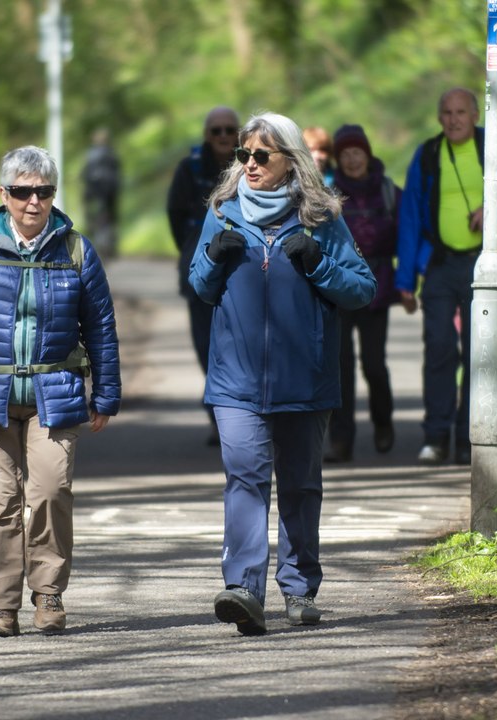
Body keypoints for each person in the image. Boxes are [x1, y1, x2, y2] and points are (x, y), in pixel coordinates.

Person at [0, 145, 121, 638]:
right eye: (23, 191)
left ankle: (48, 592)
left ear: (54, 195)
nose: (34, 202)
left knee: (51, 490)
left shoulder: (75, 251)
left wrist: (107, 391)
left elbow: (100, 325)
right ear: (3, 194)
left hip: (55, 391)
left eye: (44, 191)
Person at [188, 112, 376, 635]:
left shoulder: (321, 216)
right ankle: (244, 589)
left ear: (289, 161)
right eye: (244, 155)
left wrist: (318, 262)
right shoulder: (224, 214)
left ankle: (298, 590)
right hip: (236, 381)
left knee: (299, 485)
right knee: (245, 477)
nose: (249, 164)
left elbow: (362, 289)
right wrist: (212, 256)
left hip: (306, 378)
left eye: (260, 156)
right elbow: (200, 286)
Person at [396, 87, 497, 465]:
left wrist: (494, 207)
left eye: (461, 112)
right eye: (447, 112)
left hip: (482, 263)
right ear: (439, 118)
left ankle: (471, 437)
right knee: (438, 348)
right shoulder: (428, 155)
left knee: (480, 353)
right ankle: (435, 437)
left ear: (475, 115)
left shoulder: (496, 145)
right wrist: (405, 280)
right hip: (438, 266)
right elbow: (409, 217)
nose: (454, 119)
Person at [323, 124, 401, 463]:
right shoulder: (326, 193)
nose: (353, 160)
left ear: (368, 155)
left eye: (358, 152)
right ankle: (342, 440)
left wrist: (408, 282)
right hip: (338, 288)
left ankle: (383, 423)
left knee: (373, 364)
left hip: (377, 287)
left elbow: (408, 235)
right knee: (340, 367)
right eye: (346, 154)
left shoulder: (387, 191)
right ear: (338, 159)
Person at [167, 105, 240, 445]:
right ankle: (217, 413)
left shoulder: (248, 164)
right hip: (198, 266)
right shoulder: (189, 169)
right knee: (205, 344)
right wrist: (191, 248)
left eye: (229, 130)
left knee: (239, 343)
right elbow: (175, 214)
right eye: (217, 131)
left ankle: (238, 415)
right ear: (207, 135)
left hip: (241, 268)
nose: (224, 136)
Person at [80, 127, 121, 258]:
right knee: (110, 217)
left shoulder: (91, 154)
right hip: (110, 191)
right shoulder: (112, 153)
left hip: (94, 191)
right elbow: (117, 172)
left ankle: (95, 238)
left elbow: (85, 173)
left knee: (92, 215)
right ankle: (110, 245)